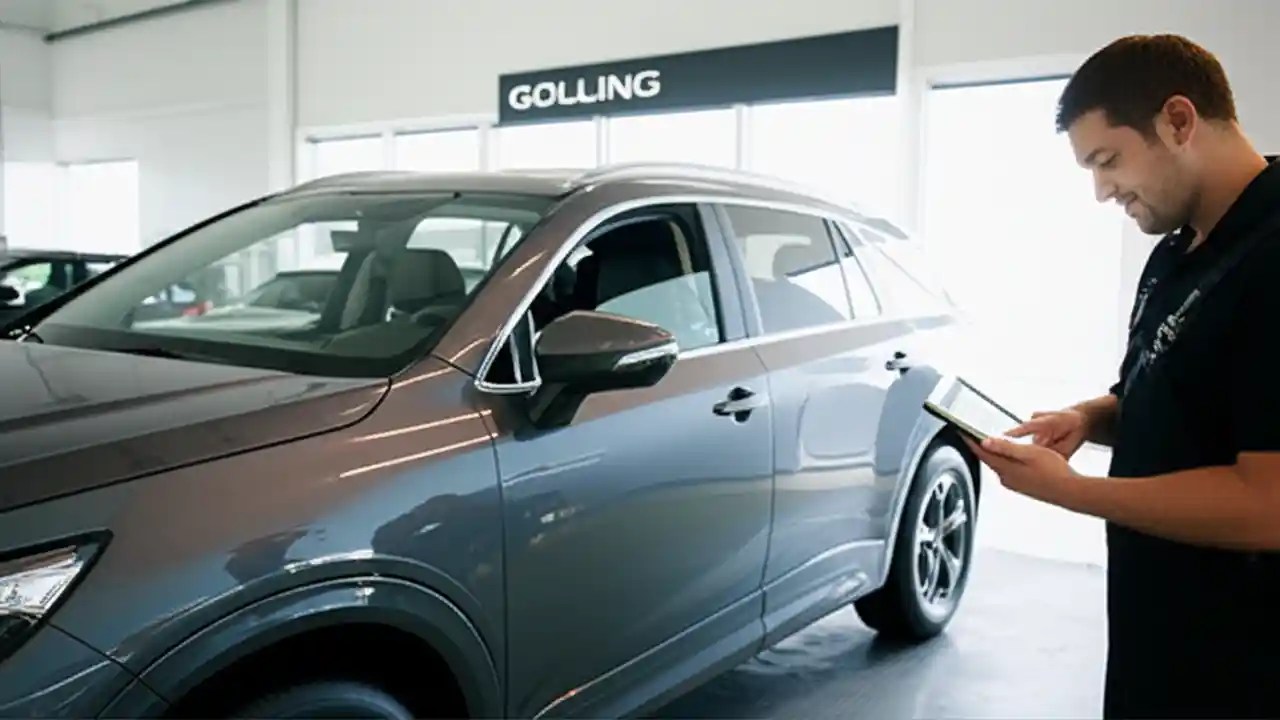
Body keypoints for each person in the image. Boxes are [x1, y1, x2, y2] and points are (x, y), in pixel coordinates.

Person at [966, 34, 1280, 720]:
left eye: (1107, 161)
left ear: (1178, 121)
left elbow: (1269, 502)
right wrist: (1089, 416)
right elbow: (1178, 388)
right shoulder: (1177, 248)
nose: (1102, 191)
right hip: (1159, 638)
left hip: (1247, 666)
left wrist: (1073, 493)